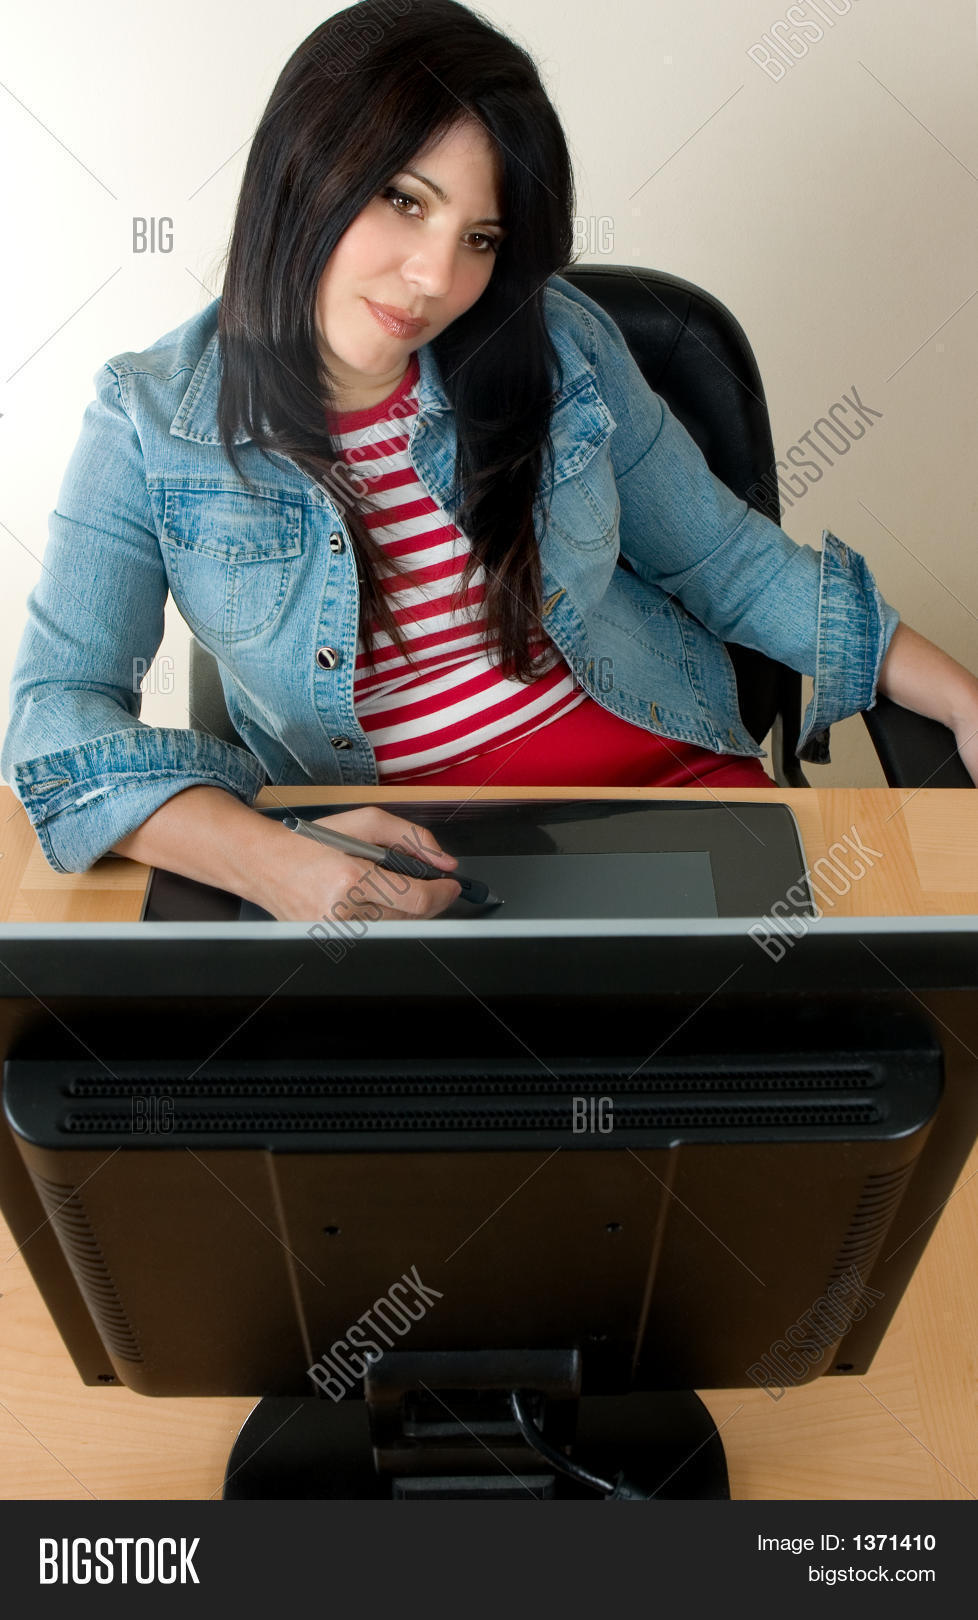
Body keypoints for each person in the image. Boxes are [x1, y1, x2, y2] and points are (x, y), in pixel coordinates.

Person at [3, 0, 976, 925]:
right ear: (302, 172)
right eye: (403, 200)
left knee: (815, 1031)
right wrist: (274, 859)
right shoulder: (148, 421)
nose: (437, 278)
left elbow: (729, 562)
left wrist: (962, 701)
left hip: (673, 804)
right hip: (409, 862)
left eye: (480, 239)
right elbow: (54, 717)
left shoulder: (560, 346)